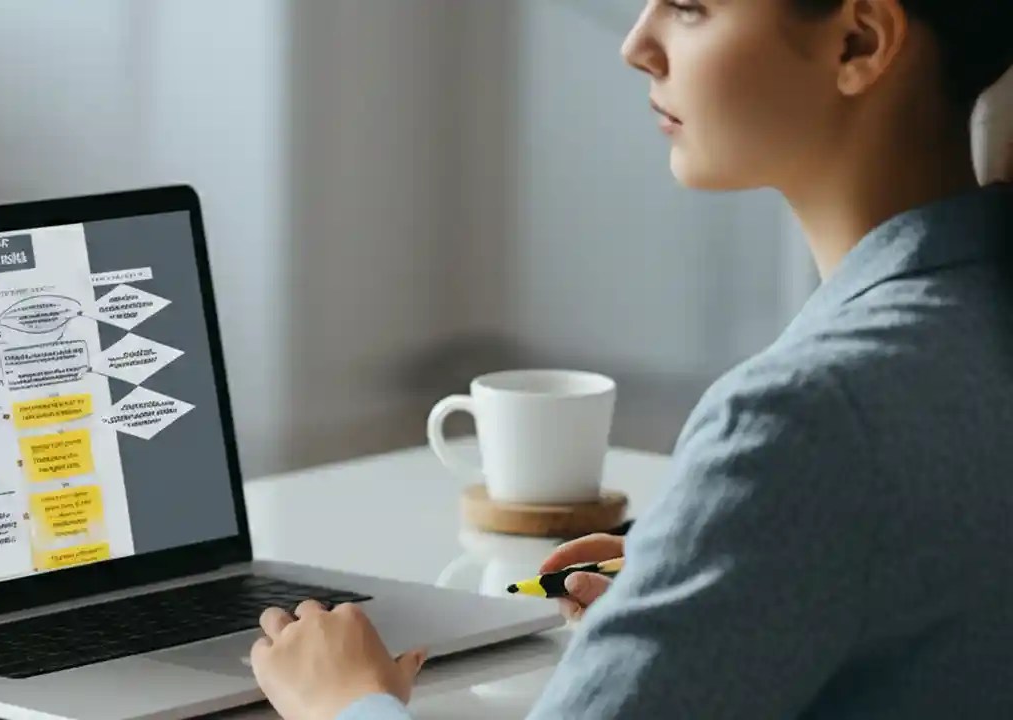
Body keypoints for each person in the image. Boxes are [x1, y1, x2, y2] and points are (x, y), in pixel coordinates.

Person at [249, 0, 1013, 718]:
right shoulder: (971, 319)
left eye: (688, 6)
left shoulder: (808, 416)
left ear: (860, 41)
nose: (636, 45)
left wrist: (347, 701)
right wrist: (718, 560)